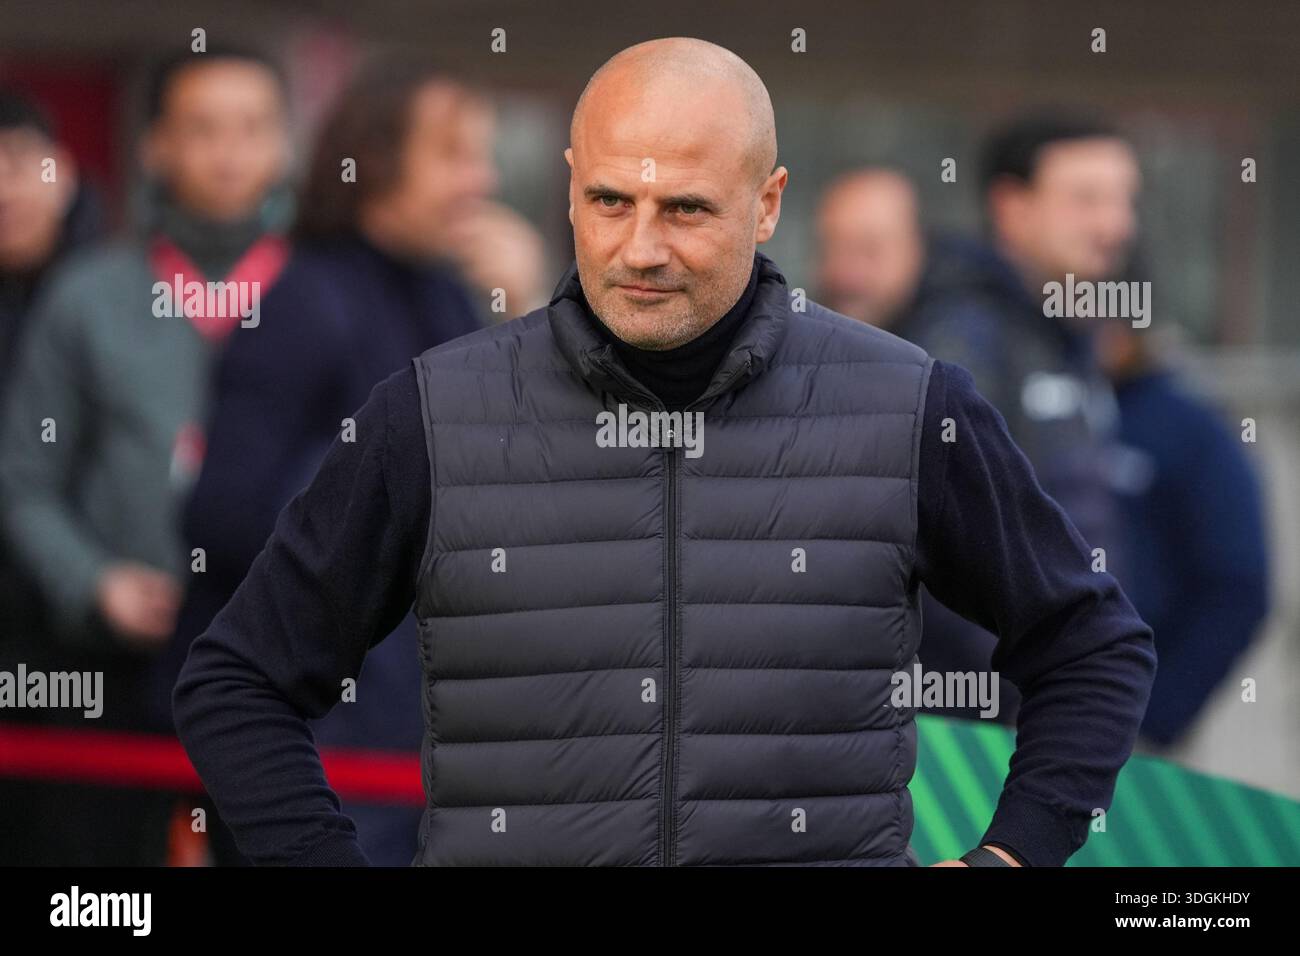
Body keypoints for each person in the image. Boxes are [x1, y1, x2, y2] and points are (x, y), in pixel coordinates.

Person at [175, 38, 1155, 868]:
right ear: (568, 187)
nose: (638, 247)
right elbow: (236, 679)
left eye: (683, 208)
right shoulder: (433, 412)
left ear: (767, 205)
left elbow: (1092, 644)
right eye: (608, 202)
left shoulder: (910, 405)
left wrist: (1012, 851)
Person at [154, 61, 545, 864]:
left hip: (424, 732)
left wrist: (529, 308)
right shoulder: (306, 301)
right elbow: (220, 518)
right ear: (376, 162)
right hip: (328, 740)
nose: (483, 177)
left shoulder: (448, 293)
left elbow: (522, 476)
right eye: (454, 154)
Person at [0, 47, 291, 864]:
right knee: (100, 902)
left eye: (252, 127)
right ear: (155, 145)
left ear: (284, 144)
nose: (229, 151)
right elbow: (24, 478)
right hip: (110, 672)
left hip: (289, 673)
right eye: (201, 128)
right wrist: (94, 583)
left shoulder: (323, 294)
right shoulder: (89, 295)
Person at [874, 114, 1142, 725]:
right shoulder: (964, 344)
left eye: (1124, 200)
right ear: (1012, 207)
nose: (1116, 225)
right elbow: (941, 552)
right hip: (990, 743)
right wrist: (1041, 709)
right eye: (1086, 199)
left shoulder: (1063, 338)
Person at [0, 88, 106, 867]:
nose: (6, 192)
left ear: (62, 173)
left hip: (89, 637)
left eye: (18, 166)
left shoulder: (124, 294)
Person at [1095, 308, 1270, 748]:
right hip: (1016, 723)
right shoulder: (1025, 407)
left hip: (1125, 734)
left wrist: (1152, 717)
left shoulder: (1190, 430)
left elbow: (1239, 584)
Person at [814, 167, 925, 331]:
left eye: (869, 251)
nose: (846, 276)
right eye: (832, 251)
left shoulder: (954, 339)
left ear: (913, 251)